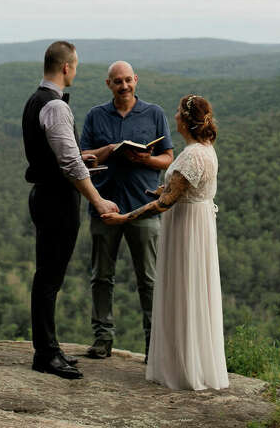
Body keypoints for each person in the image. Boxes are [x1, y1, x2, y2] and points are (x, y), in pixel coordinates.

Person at [101, 94, 228, 391]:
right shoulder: (205, 150)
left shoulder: (193, 155)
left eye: (177, 114)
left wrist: (124, 218)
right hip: (196, 222)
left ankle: (182, 368)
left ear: (185, 120)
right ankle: (192, 361)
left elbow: (166, 204)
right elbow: (178, 190)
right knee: (193, 289)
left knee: (183, 288)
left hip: (187, 227)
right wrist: (161, 191)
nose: (174, 117)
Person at [22, 40, 118, 379]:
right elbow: (70, 167)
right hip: (57, 201)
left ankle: (49, 348)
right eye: (75, 66)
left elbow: (63, 156)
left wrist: (85, 156)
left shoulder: (36, 99)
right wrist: (98, 200)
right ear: (66, 68)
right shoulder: (56, 106)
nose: (75, 72)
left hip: (44, 195)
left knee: (47, 275)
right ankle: (46, 354)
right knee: (49, 278)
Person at [78, 61, 174, 358]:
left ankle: (153, 344)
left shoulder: (154, 113)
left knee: (149, 280)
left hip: (144, 208)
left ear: (136, 80)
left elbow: (169, 157)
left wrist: (145, 160)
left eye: (128, 80)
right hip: (105, 205)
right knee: (101, 276)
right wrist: (108, 149)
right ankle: (102, 339)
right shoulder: (95, 116)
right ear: (109, 84)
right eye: (117, 81)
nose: (124, 86)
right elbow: (80, 156)